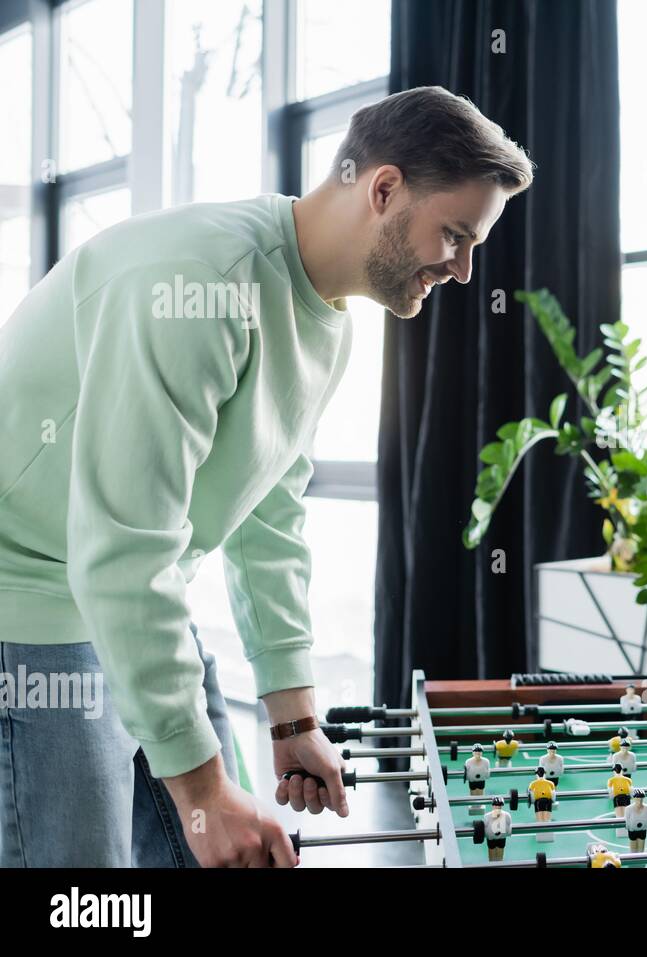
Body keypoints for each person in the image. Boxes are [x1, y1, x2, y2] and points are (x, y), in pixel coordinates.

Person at [0, 85, 533, 867]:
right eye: (455, 235)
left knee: (222, 854)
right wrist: (203, 788)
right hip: (33, 594)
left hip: (134, 584)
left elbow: (268, 515)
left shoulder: (328, 325)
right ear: (383, 189)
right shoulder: (201, 283)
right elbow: (120, 548)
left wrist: (292, 716)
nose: (462, 269)